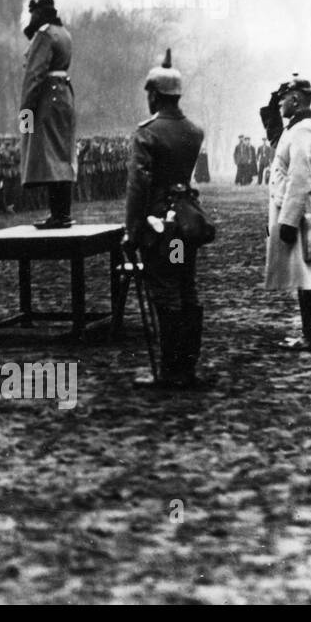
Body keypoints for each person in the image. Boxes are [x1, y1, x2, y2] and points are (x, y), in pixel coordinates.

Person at [125, 51, 206, 390]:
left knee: (166, 292)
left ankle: (170, 370)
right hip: (184, 226)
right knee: (185, 286)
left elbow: (138, 187)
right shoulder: (193, 132)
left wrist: (132, 232)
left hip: (159, 227)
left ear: (155, 95)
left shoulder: (147, 134)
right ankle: (186, 366)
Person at [265, 76, 311, 352]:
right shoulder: (301, 127)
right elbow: (277, 141)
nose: (279, 103)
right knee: (306, 276)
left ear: (296, 99)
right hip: (304, 210)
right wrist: (270, 111)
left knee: (310, 276)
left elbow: (300, 177)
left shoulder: (303, 131)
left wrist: (289, 221)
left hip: (303, 213)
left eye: (283, 98)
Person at [19, 0, 77, 228]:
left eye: (33, 13)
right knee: (62, 155)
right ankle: (63, 213)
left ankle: (58, 215)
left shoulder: (43, 35)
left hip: (46, 101)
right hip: (64, 96)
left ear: (39, 14)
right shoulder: (64, 33)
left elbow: (34, 75)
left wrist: (25, 112)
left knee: (50, 156)